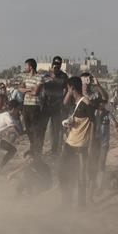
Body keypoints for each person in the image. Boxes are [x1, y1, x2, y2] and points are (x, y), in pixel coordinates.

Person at [60, 76, 94, 207]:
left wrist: (90, 144)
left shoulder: (86, 103)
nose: (67, 91)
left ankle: (81, 204)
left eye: (68, 88)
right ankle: (67, 201)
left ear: (72, 88)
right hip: (70, 142)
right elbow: (64, 103)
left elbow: (92, 123)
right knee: (64, 172)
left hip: (80, 145)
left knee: (80, 175)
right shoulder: (77, 103)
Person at [0, 99, 23, 176]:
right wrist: (19, 136)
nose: (18, 112)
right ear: (14, 109)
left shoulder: (3, 114)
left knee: (11, 150)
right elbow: (13, 127)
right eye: (18, 109)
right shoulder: (8, 116)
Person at [17, 59, 44, 157]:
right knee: (28, 129)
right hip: (26, 105)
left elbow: (36, 92)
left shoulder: (39, 78)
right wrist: (29, 89)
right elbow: (20, 88)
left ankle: (35, 150)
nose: (25, 68)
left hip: (35, 106)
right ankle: (33, 147)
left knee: (35, 129)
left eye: (26, 66)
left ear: (31, 66)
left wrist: (25, 90)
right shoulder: (25, 77)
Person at [41, 56, 68, 155]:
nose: (57, 66)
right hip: (46, 103)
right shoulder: (46, 75)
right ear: (52, 64)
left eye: (59, 64)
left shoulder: (63, 76)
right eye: (55, 64)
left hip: (57, 104)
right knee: (43, 127)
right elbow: (42, 85)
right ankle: (39, 148)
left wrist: (54, 78)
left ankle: (54, 149)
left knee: (56, 129)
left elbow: (63, 84)